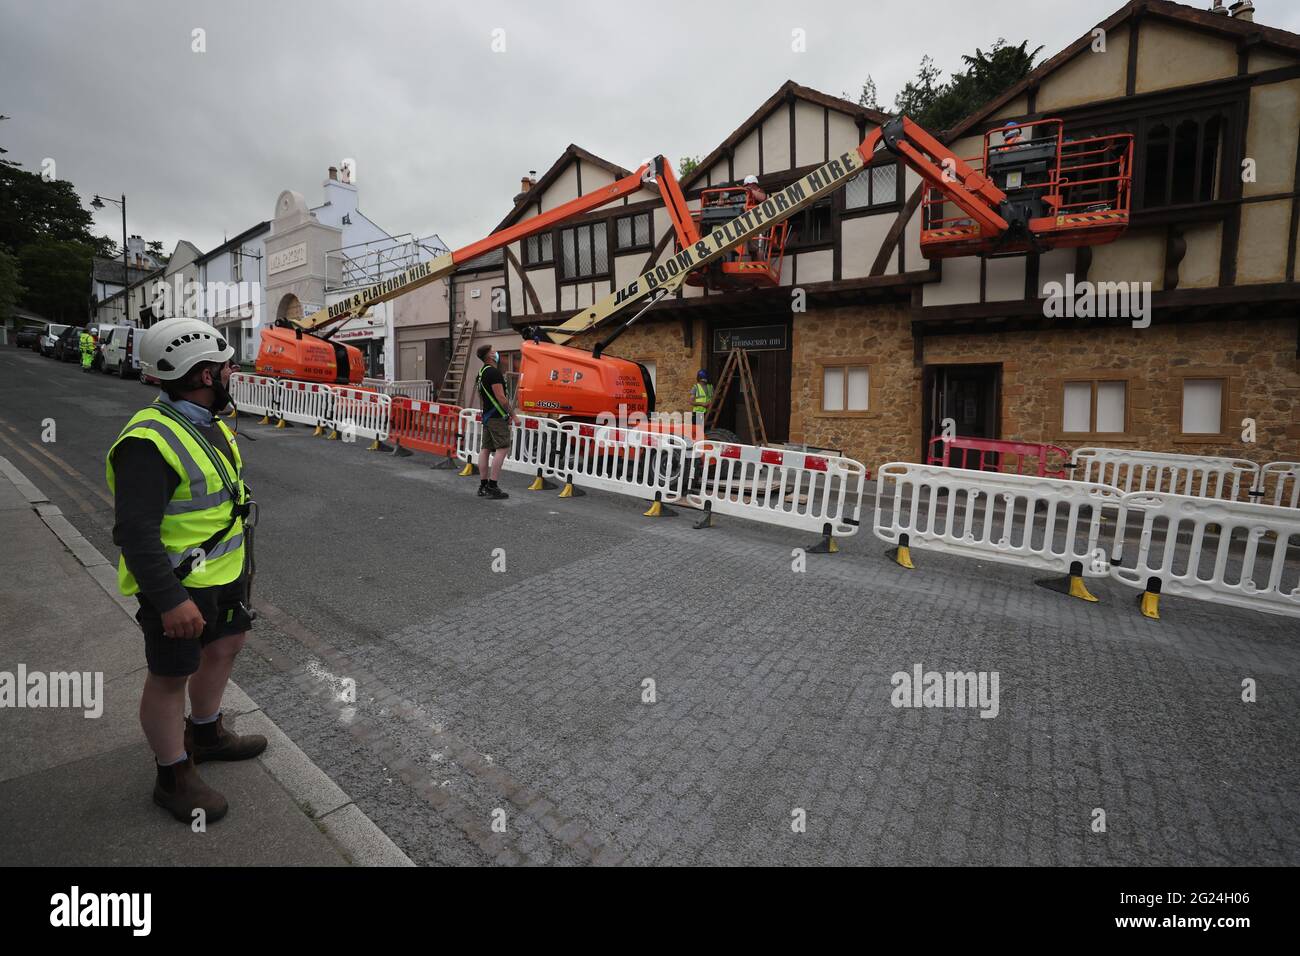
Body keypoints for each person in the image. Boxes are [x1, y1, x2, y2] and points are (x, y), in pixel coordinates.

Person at [106, 316, 266, 825]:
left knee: (224, 647)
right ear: (201, 375)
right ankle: (172, 775)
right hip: (178, 587)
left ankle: (207, 732)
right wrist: (170, 599)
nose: (231, 373)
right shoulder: (147, 442)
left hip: (224, 573)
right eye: (224, 367)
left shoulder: (209, 421)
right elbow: (134, 533)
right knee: (170, 675)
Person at [475, 343, 517, 499]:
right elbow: (501, 398)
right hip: (497, 417)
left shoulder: (481, 373)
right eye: (493, 351)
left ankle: (483, 486)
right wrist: (514, 415)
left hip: (487, 415)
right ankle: (493, 486)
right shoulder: (494, 373)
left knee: (485, 449)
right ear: (490, 356)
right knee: (502, 448)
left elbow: (482, 397)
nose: (496, 352)